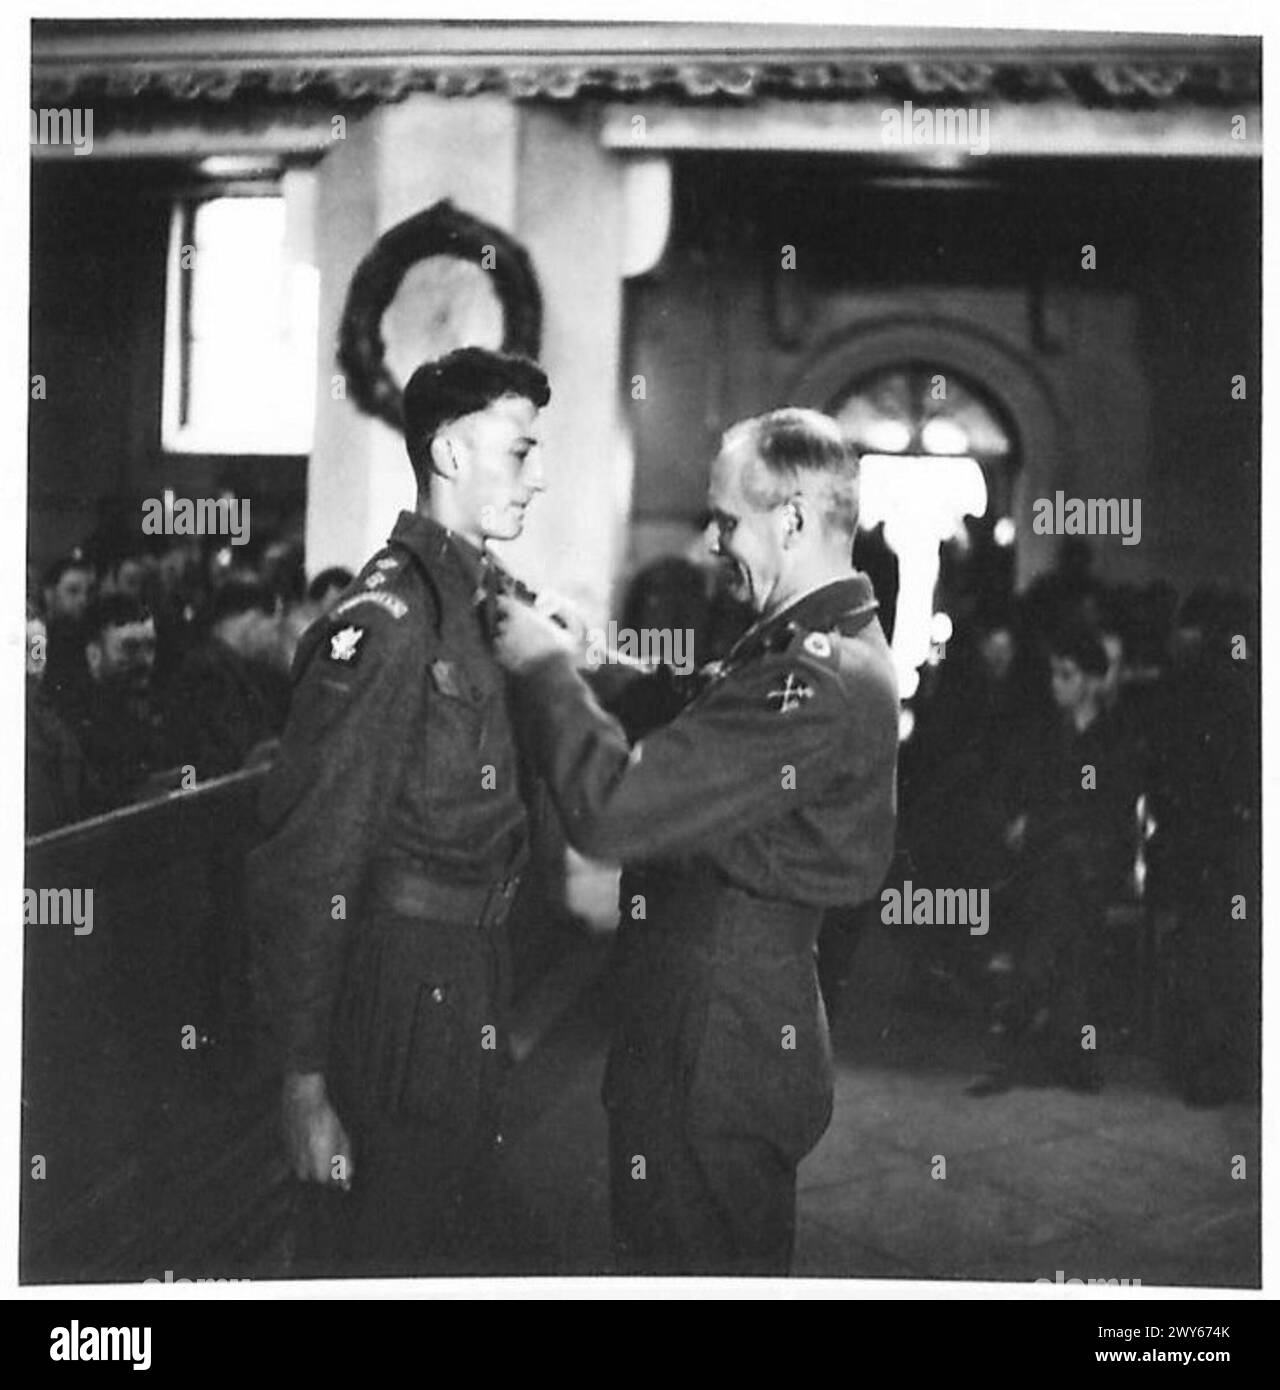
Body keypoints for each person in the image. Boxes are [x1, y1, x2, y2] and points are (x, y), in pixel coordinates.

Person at [494, 407, 899, 1275]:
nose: (712, 543)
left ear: (790, 519)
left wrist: (541, 670)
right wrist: (595, 661)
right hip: (729, 1021)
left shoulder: (815, 676)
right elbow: (707, 708)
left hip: (712, 1044)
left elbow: (613, 810)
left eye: (726, 521)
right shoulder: (813, 645)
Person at [246, 347, 551, 1276]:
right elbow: (308, 860)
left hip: (468, 979)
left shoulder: (474, 600)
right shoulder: (388, 620)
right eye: (519, 451)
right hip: (400, 994)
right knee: (386, 1258)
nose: (537, 479)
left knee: (447, 1247)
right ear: (452, 453)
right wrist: (302, 1086)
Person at [969, 624, 1139, 1097]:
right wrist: (1021, 820)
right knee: (1067, 927)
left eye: (1066, 675)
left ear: (1089, 680)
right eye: (1053, 673)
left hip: (1087, 861)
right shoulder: (1042, 734)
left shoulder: (1113, 738)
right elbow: (1014, 793)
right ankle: (1070, 1053)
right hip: (1056, 869)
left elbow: (1104, 807)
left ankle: (1026, 1031)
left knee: (1056, 920)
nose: (1055, 684)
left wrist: (1038, 822)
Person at [51, 593, 175, 810]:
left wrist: (185, 786)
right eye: (130, 648)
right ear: (94, 654)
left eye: (150, 647)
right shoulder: (73, 721)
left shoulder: (159, 702)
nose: (145, 660)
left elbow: (191, 771)